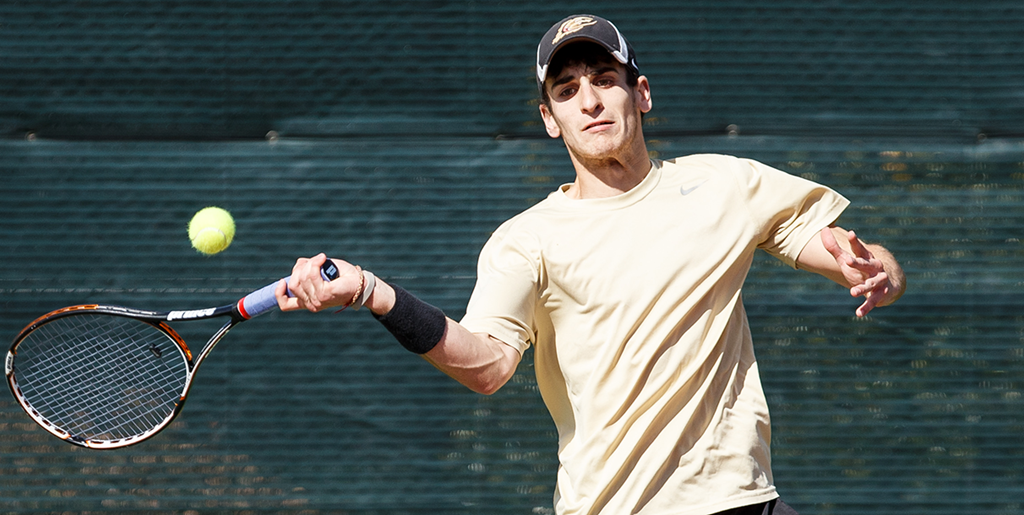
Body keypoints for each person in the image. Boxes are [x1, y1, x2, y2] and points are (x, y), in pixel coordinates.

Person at [276, 14, 906, 515]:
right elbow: (488, 368)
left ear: (642, 93)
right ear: (551, 120)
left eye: (606, 79)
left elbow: (856, 258)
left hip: (743, 499)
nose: (591, 101)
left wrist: (875, 268)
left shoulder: (726, 186)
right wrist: (373, 293)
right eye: (567, 90)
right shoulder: (526, 240)